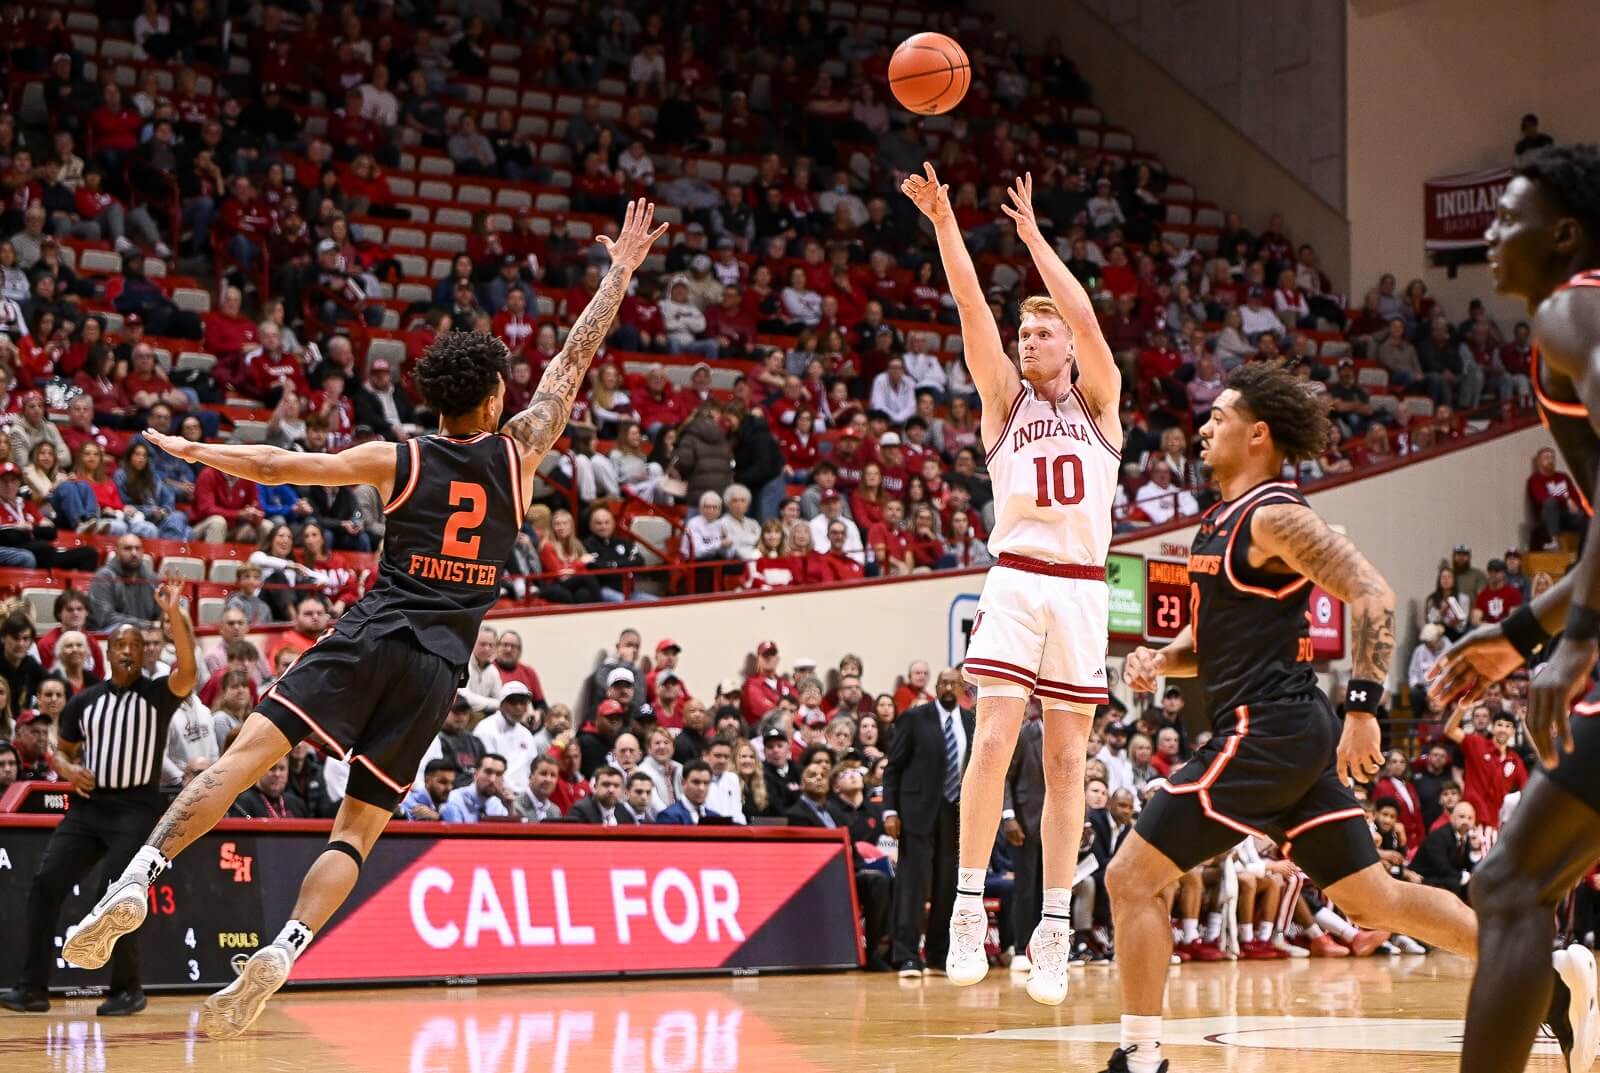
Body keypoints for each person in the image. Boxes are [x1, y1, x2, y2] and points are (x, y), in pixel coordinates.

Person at [53, 201, 670, 1040]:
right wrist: (621, 272)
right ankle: (286, 947)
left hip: (371, 634)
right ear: (494, 393)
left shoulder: (400, 455)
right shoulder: (521, 453)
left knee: (238, 763)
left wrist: (199, 452)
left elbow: (284, 462)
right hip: (437, 671)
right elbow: (573, 357)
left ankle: (137, 875)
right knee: (358, 827)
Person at [1096, 360, 1595, 1073]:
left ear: (1258, 435)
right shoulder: (1219, 523)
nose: (1203, 427)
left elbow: (1373, 594)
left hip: (1267, 729)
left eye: (1220, 419)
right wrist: (1158, 656)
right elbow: (1208, 641)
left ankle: (1139, 1059)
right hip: (1280, 732)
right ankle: (1547, 976)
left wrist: (1363, 704)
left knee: (1128, 876)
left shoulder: (1276, 515)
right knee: (1374, 897)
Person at [901, 165, 1119, 1004]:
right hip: (1019, 578)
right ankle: (965, 908)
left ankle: (1055, 924)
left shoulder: (1101, 403)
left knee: (1066, 762)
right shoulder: (1003, 400)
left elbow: (1090, 317)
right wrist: (948, 225)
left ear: (1065, 343)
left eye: (1041, 335)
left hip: (1084, 589)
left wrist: (1033, 240)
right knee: (992, 742)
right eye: (1023, 335)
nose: (1027, 344)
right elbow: (966, 307)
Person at [1430, 144, 1600, 1073]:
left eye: (1509, 216)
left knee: (1511, 883)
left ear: (1564, 232)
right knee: (1514, 881)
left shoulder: (1575, 307)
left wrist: (1569, 647)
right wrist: (1524, 632)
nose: (1489, 234)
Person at [0, 580, 194, 1017]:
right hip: (89, 808)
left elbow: (188, 669)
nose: (127, 651)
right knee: (46, 882)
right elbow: (62, 752)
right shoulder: (84, 702)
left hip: (137, 808)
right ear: (106, 652)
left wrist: (175, 615)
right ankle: (32, 988)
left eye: (134, 646)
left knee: (116, 893)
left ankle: (128, 990)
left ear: (143, 653)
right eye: (119, 645)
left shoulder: (158, 695)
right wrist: (68, 771)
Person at [882, 667, 974, 977]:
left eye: (954, 683)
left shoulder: (970, 721)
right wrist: (890, 811)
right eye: (944, 683)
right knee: (913, 884)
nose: (949, 687)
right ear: (936, 686)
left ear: (962, 688)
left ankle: (938, 955)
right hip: (917, 812)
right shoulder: (914, 718)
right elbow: (893, 768)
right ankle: (907, 954)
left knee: (947, 886)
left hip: (955, 812)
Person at [654, 759, 720, 824]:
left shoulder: (715, 817)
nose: (701, 788)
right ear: (683, 783)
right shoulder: (668, 816)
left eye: (706, 783)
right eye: (696, 782)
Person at [567, 765, 634, 825]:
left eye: (616, 786)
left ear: (622, 790)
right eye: (606, 784)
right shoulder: (580, 810)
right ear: (595, 787)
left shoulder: (624, 812)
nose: (611, 790)